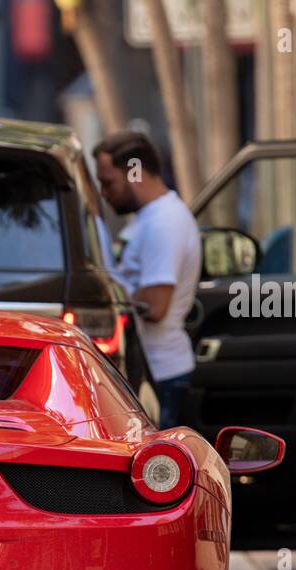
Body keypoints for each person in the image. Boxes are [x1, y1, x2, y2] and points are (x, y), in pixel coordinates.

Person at [92, 131, 198, 430]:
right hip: (154, 368)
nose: (104, 192)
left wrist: (105, 296)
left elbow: (155, 306)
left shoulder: (163, 223)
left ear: (135, 172)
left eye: (108, 182)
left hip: (159, 373)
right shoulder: (151, 219)